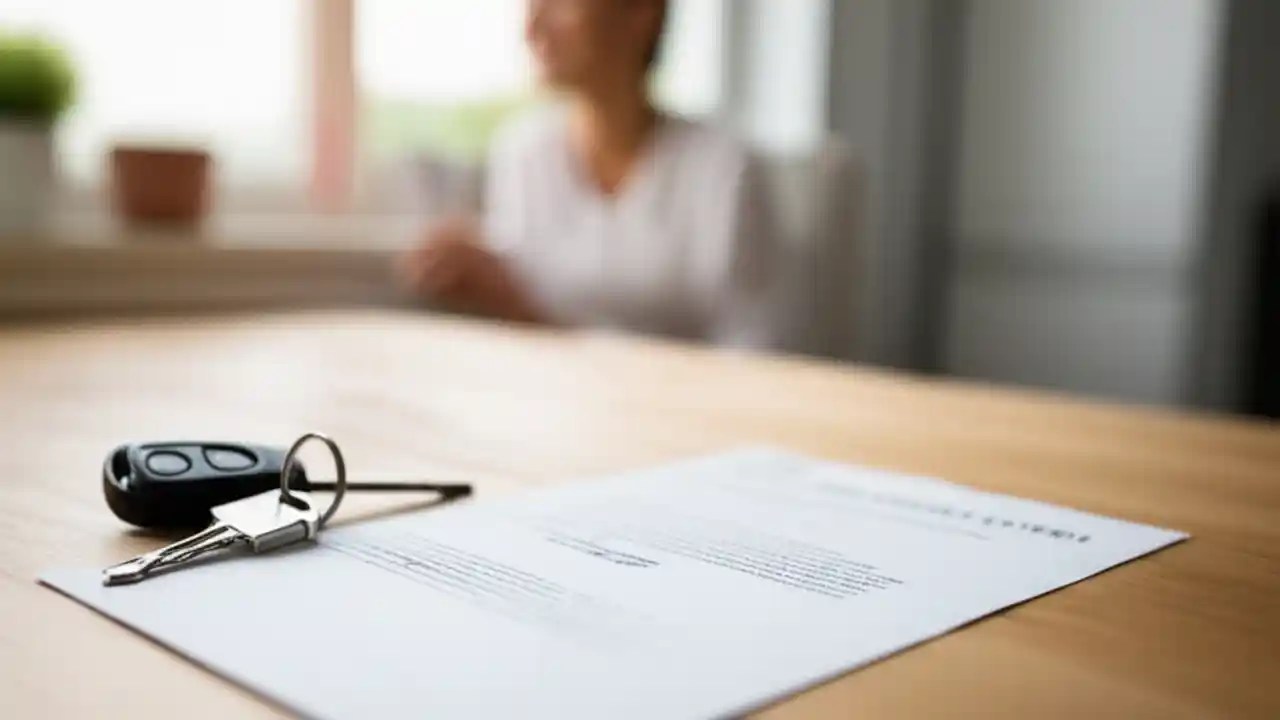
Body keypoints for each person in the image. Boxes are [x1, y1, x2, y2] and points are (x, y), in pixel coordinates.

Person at [403, 0, 781, 348]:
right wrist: (489, 283)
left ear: (641, 12)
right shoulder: (522, 154)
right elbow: (527, 332)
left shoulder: (723, 169)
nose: (533, 25)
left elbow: (759, 347)